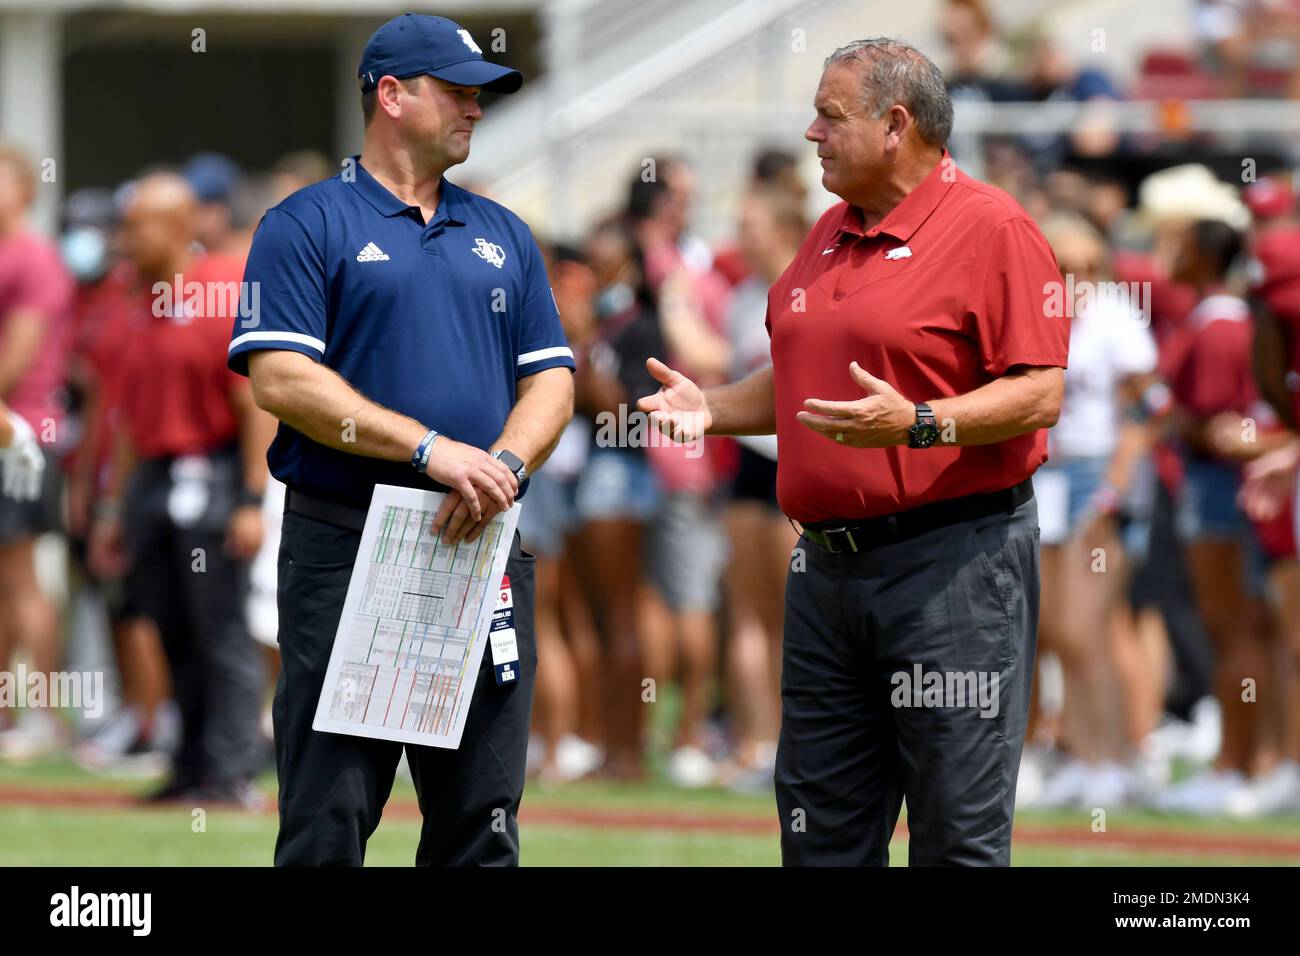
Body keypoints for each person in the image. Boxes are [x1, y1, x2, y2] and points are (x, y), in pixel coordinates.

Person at [639, 38, 1068, 865]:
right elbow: (804, 373)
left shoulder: (993, 228)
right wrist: (713, 408)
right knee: (821, 831)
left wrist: (920, 423)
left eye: (831, 117)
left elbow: (1039, 392)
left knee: (956, 834)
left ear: (895, 125)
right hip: (828, 576)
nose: (812, 134)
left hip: (952, 565)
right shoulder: (830, 229)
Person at [231, 14, 574, 866]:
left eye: (480, 95)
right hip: (350, 545)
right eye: (458, 91)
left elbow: (553, 382)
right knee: (329, 817)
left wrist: (501, 463)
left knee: (482, 822)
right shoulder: (306, 223)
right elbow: (281, 379)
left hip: (479, 547)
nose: (476, 109)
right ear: (392, 94)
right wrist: (430, 449)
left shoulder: (503, 232)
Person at [88, 173, 275, 805]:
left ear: (178, 225)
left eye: (138, 224)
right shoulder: (130, 301)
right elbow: (123, 415)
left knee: (219, 625)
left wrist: (252, 499)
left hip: (214, 469)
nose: (125, 238)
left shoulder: (224, 286)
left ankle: (230, 770)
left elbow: (253, 404)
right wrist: (114, 505)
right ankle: (190, 764)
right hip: (153, 479)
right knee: (168, 625)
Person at [0, 143, 75, 760]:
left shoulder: (35, 257)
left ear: (26, 190)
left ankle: (46, 715)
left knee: (22, 577)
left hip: (21, 435)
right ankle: (5, 714)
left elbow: (15, 361)